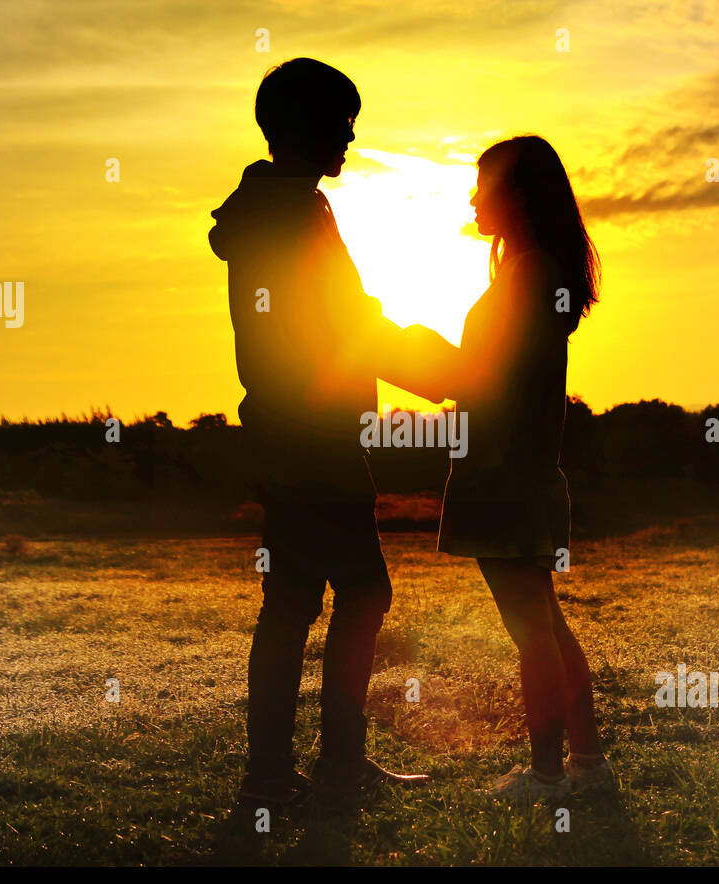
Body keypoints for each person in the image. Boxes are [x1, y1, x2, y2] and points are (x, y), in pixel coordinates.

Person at [209, 58, 446, 809]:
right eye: (341, 121)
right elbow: (346, 326)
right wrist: (451, 372)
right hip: (310, 438)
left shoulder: (280, 207)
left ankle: (283, 774)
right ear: (303, 126)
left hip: (295, 435)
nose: (351, 134)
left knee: (300, 600)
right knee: (352, 593)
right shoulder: (289, 215)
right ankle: (304, 771)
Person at [434, 136, 616, 802]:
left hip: (505, 474)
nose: (474, 197)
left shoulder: (529, 274)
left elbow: (487, 376)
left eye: (484, 185)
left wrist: (410, 357)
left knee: (532, 630)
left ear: (518, 195)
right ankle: (588, 766)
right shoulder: (536, 271)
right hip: (518, 471)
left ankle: (547, 775)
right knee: (545, 623)